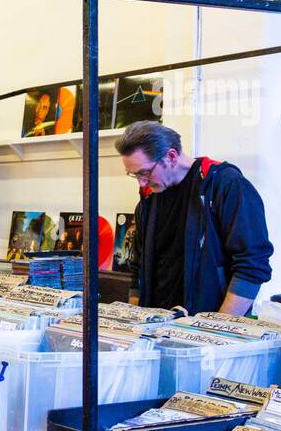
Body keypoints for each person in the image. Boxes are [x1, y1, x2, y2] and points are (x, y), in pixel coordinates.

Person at [116, 120, 272, 315]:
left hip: (208, 329)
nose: (141, 182)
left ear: (171, 156)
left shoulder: (225, 186)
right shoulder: (149, 199)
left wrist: (215, 327)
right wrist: (134, 319)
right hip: (156, 326)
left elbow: (252, 265)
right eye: (134, 175)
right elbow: (138, 268)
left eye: (145, 172)